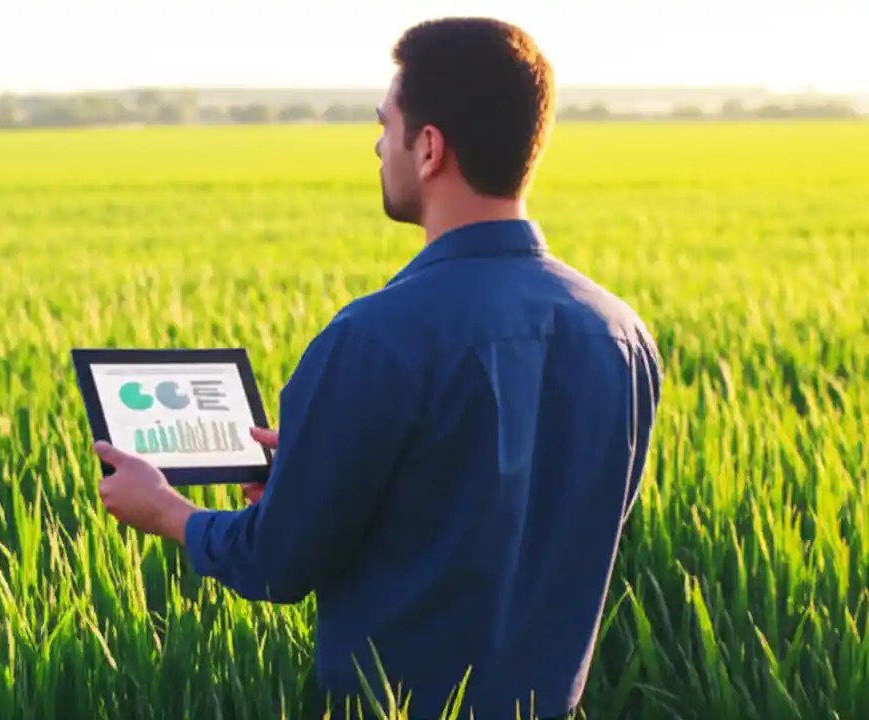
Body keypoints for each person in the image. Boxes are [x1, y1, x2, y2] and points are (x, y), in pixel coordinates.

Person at [90, 16, 662, 720]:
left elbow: (278, 563)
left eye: (384, 124)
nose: (376, 144)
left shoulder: (375, 336)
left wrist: (170, 513)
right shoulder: (620, 332)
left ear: (428, 148)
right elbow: (526, 515)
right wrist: (310, 479)